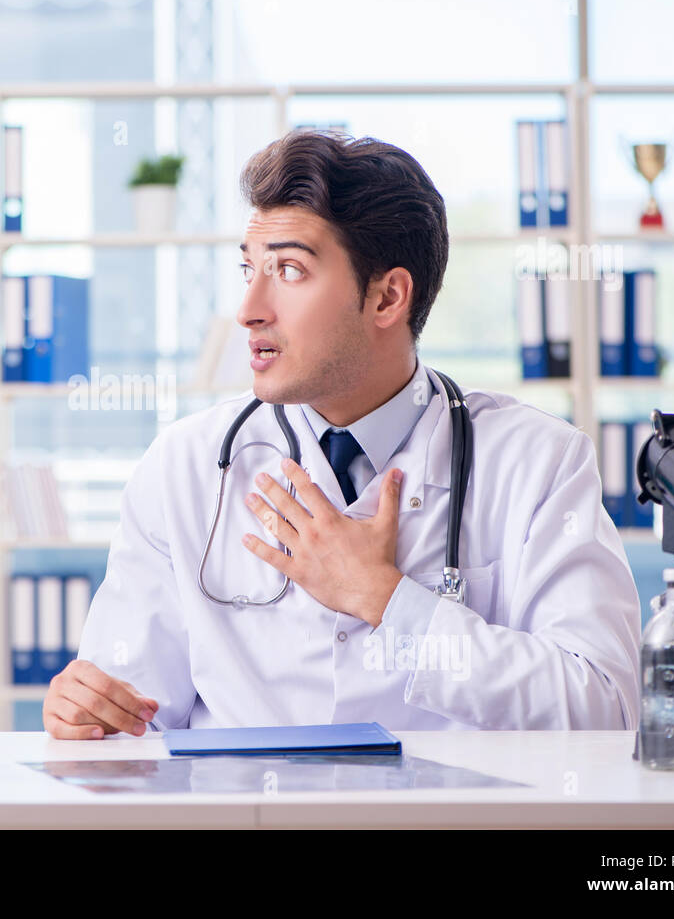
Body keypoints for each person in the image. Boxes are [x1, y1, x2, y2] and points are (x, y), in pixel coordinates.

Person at [44, 130, 642, 738]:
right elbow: (129, 713)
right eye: (249, 269)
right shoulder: (185, 465)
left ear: (387, 297)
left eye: (289, 270)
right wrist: (90, 713)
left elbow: (606, 707)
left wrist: (387, 600)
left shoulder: (538, 462)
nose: (249, 308)